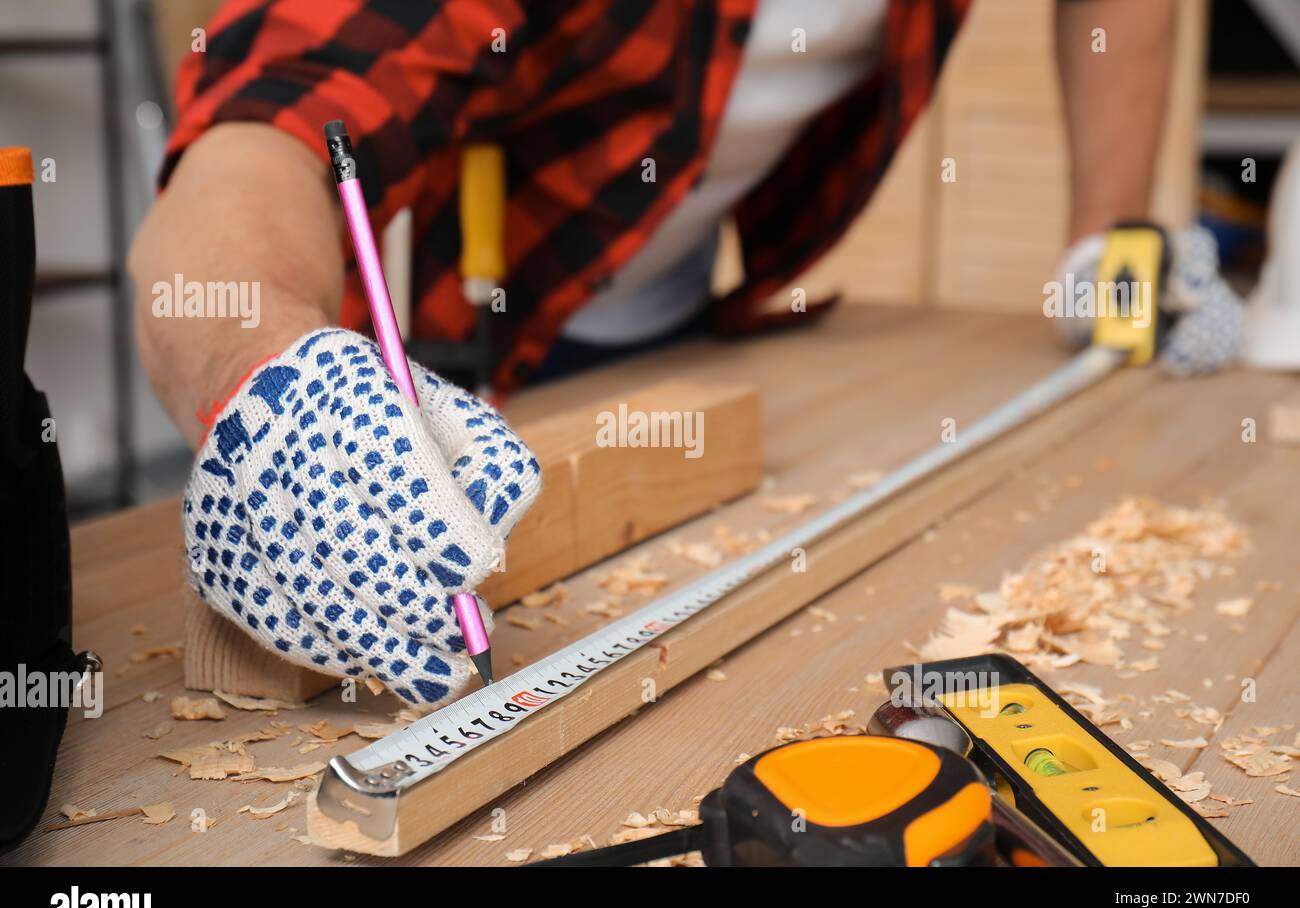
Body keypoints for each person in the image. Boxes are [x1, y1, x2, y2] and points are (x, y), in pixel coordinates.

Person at [129, 0, 1240, 707]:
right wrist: (257, 368)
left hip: (684, 305)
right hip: (495, 326)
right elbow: (274, 111)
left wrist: (1108, 235)